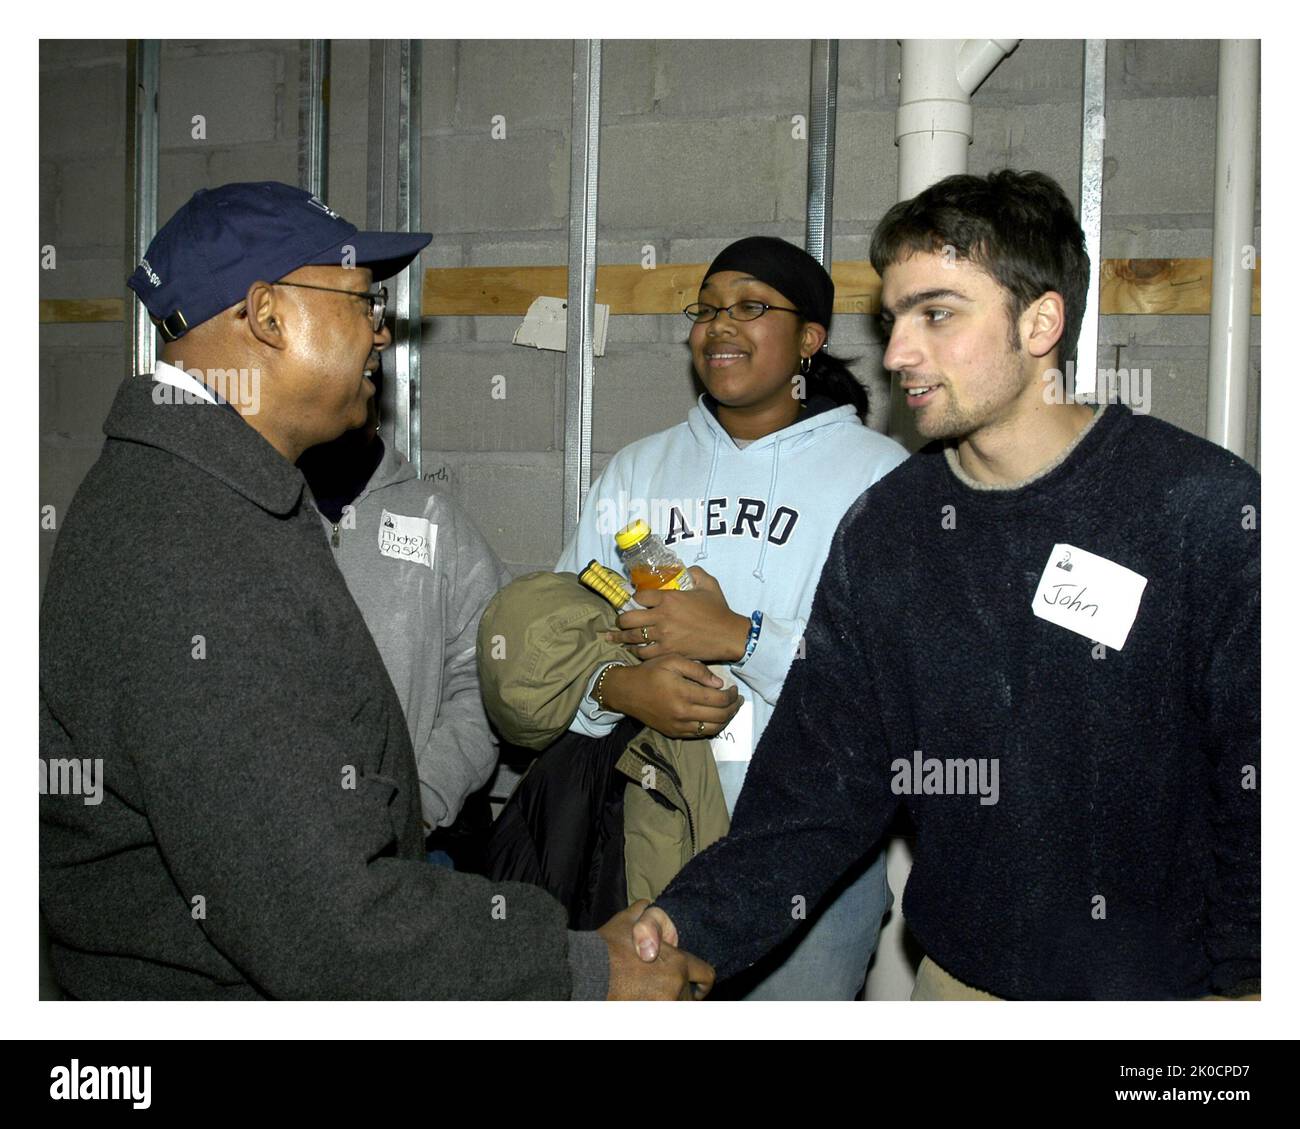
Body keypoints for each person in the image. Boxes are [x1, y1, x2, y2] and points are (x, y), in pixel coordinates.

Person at [39, 180, 711, 1001]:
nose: (382, 332)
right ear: (267, 315)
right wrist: (581, 967)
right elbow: (326, 923)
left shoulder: (208, 495)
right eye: (364, 301)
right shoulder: (192, 547)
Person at [627, 170, 1261, 1000]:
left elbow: (1259, 793)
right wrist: (691, 920)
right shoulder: (889, 529)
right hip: (961, 985)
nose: (896, 353)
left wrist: (1249, 992)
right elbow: (819, 783)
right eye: (894, 320)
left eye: (938, 314)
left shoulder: (1200, 508)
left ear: (1040, 323)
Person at [555, 236, 909, 999]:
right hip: (647, 834)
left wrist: (740, 637)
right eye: (707, 308)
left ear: (810, 339)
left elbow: (898, 690)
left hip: (811, 861)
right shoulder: (639, 469)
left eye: (750, 307)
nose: (720, 325)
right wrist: (620, 688)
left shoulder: (881, 482)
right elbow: (557, 643)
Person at [298, 361, 507, 868]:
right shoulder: (256, 515)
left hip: (416, 844)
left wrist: (420, 799)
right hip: (284, 841)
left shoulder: (436, 519)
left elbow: (482, 682)